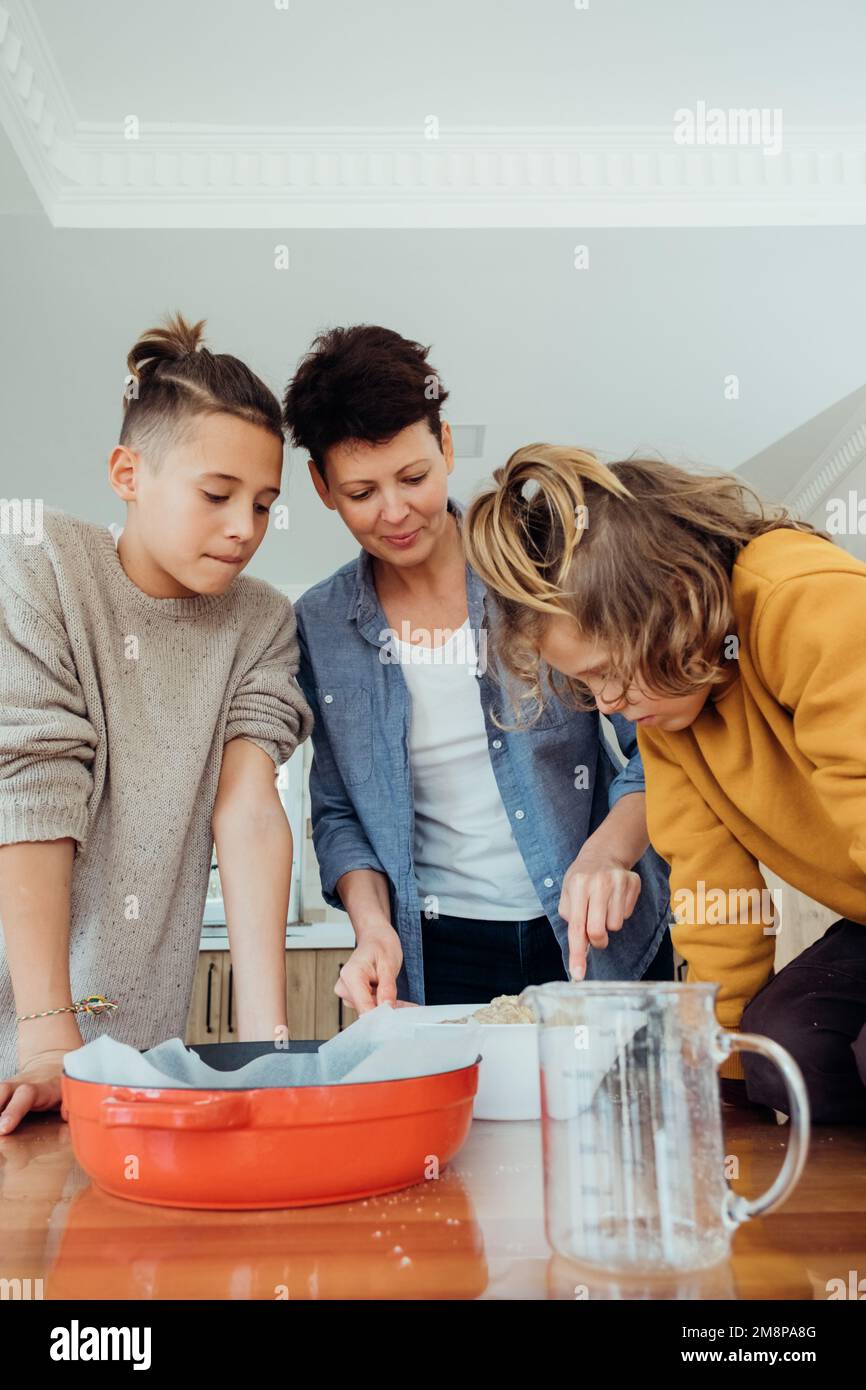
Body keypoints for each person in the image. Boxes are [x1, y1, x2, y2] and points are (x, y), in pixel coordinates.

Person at [462, 442, 866, 1122]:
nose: (609, 701)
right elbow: (715, 897)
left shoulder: (799, 600)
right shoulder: (667, 714)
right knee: (780, 1049)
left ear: (668, 603)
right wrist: (726, 1092)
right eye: (587, 683)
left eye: (608, 669)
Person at [283, 326, 671, 1015]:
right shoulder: (319, 624)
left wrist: (608, 855)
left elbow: (659, 744)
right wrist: (372, 928)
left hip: (593, 933)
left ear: (448, 446)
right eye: (362, 492)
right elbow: (339, 813)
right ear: (321, 487)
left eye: (414, 477)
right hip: (437, 957)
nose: (396, 512)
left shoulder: (538, 576)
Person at [0, 313, 313, 1134]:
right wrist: (45, 1039)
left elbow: (246, 813)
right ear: (127, 473)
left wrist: (264, 1050)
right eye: (216, 495)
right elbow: (33, 791)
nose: (245, 527)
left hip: (136, 1061)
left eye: (263, 503)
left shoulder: (261, 622)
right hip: (24, 1045)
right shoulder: (43, 567)